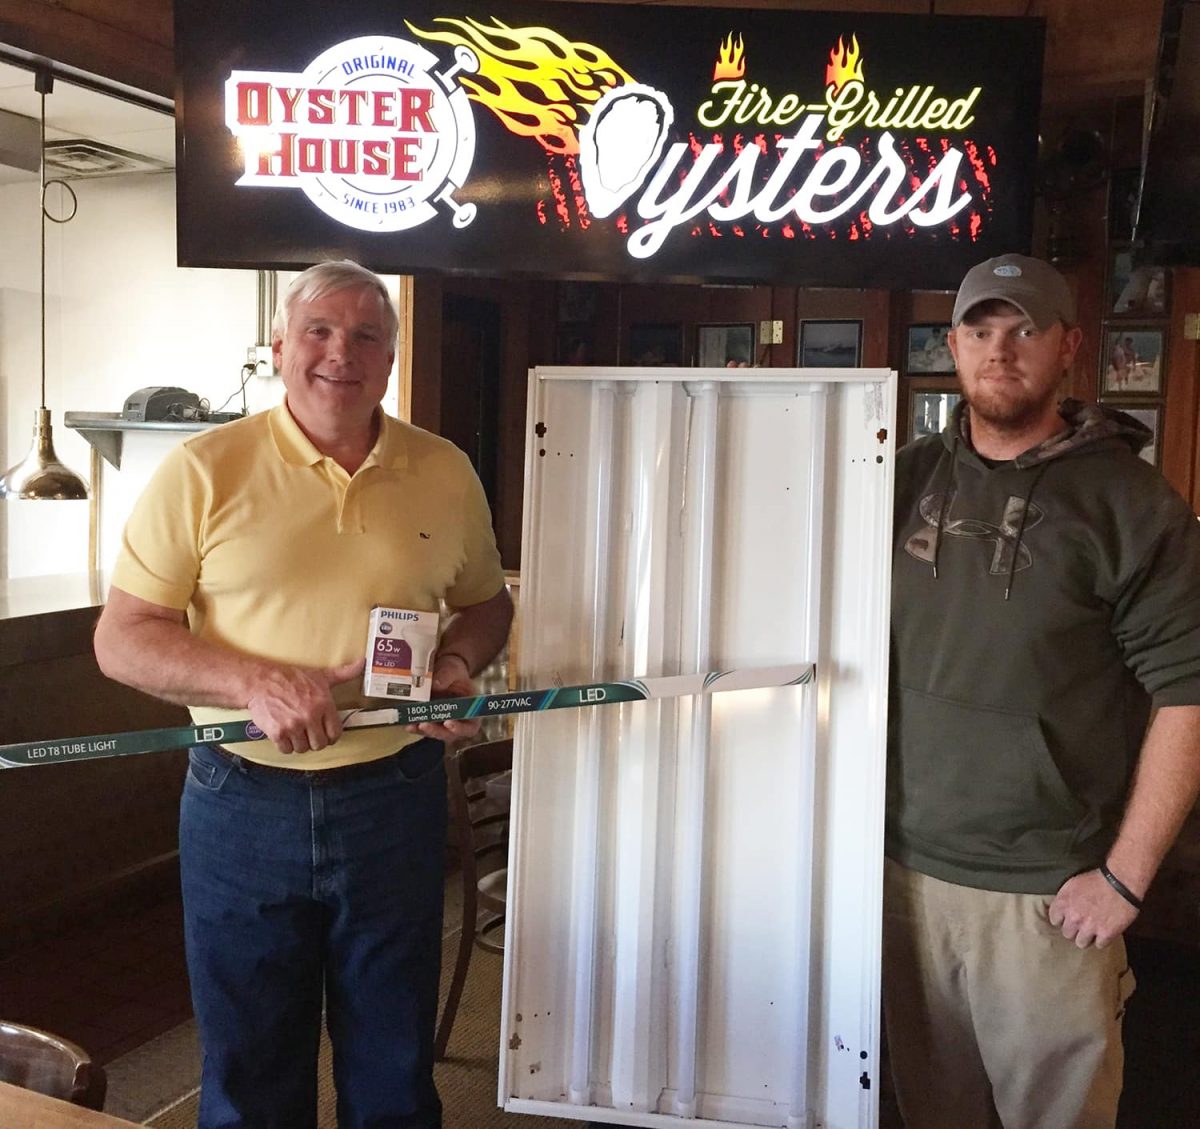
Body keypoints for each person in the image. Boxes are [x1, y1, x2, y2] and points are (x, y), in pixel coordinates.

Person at [93, 260, 513, 1129]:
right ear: (279, 346)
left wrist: (459, 663)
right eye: (318, 331)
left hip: (393, 801)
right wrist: (250, 678)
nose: (340, 354)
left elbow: (485, 602)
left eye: (367, 335)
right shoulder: (202, 471)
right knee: (250, 1073)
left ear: (392, 359)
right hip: (239, 803)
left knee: (395, 1065)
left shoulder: (444, 470)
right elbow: (122, 637)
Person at [885, 252, 1200, 1129]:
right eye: (981, 330)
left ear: (1070, 346)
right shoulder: (899, 480)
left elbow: (1190, 695)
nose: (1001, 350)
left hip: (1046, 897)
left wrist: (1125, 879)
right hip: (899, 877)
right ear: (952, 346)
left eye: (1024, 328)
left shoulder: (1131, 507)